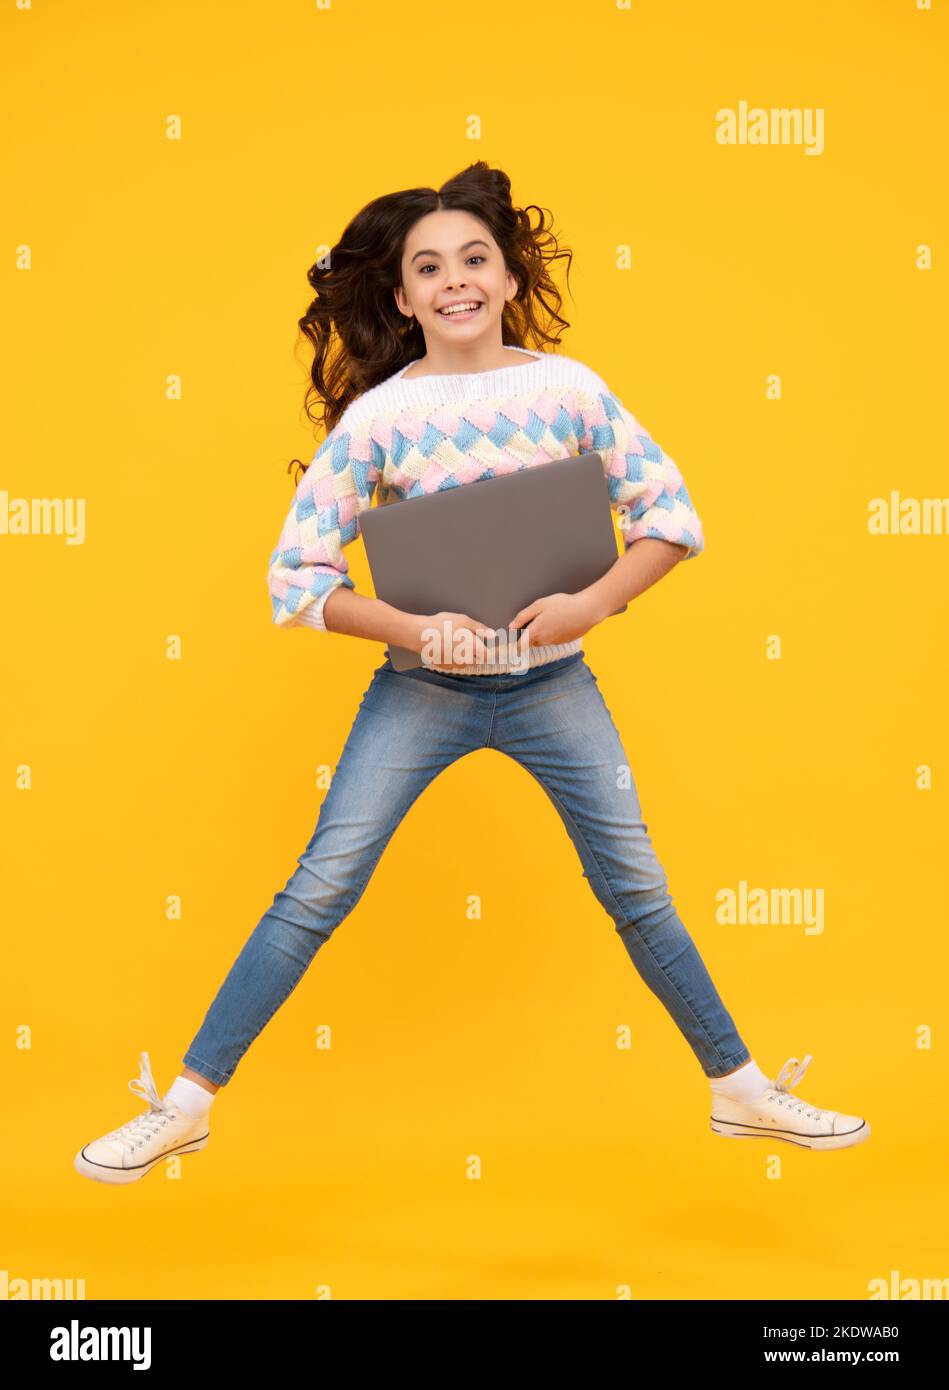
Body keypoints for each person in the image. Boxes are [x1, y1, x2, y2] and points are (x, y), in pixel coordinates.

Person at [74, 162, 869, 1185]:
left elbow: (671, 518)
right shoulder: (378, 419)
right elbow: (297, 578)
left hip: (555, 687)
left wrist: (592, 603)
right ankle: (183, 1107)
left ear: (505, 276)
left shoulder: (567, 388)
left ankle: (739, 1089)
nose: (455, 280)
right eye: (428, 267)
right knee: (319, 886)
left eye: (474, 259)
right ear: (402, 298)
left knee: (636, 885)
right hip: (423, 689)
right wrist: (409, 625)